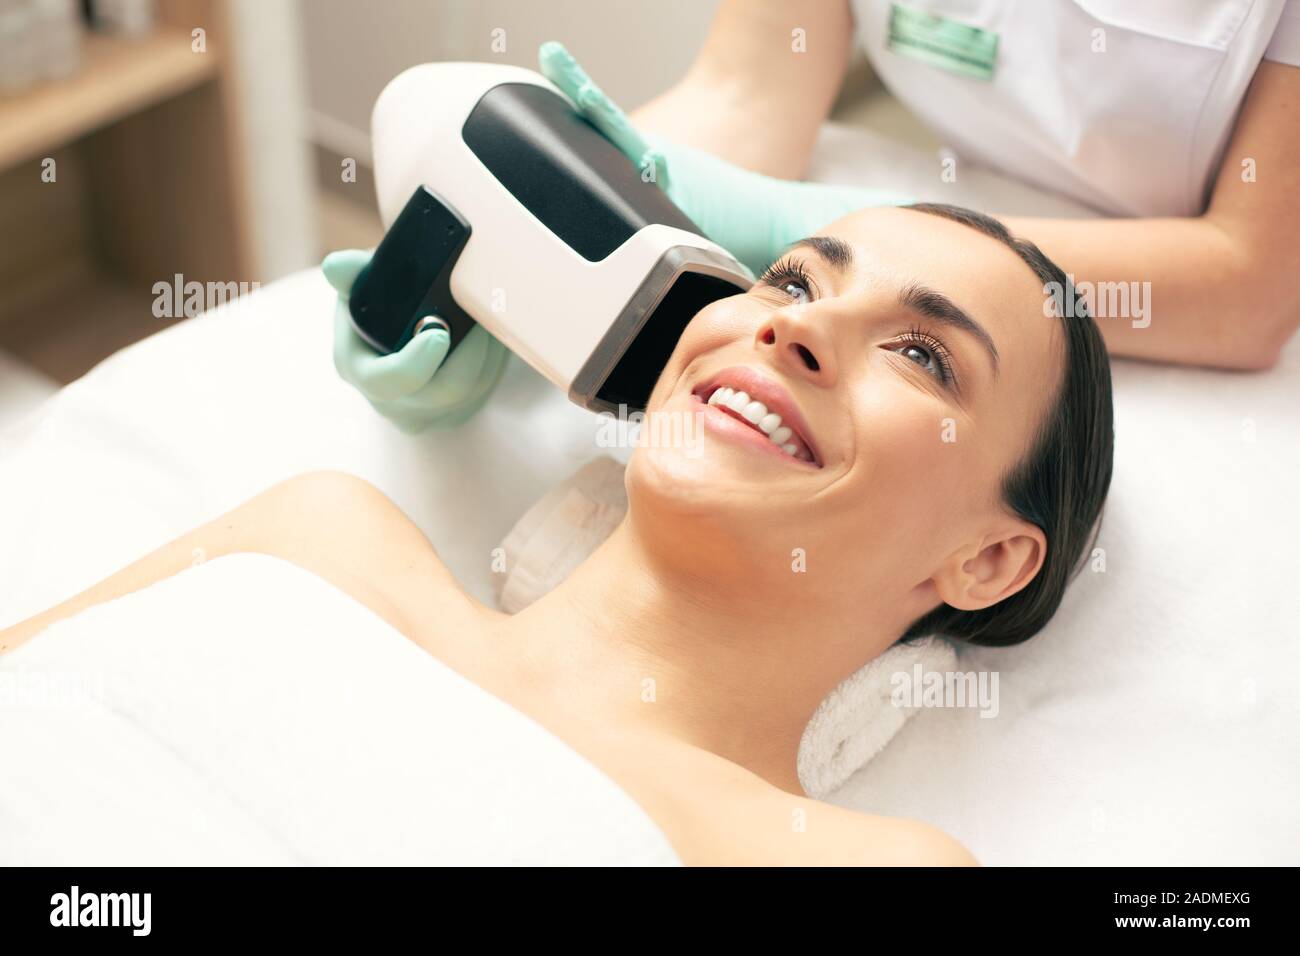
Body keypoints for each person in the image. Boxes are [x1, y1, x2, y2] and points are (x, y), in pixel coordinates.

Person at [1, 202, 1114, 864]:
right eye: (790, 277)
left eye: (923, 354)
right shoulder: (318, 536)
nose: (797, 325)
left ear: (986, 558)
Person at [333, 2, 1299, 431]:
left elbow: (1251, 281)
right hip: (928, 218)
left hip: (1195, 325)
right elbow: (749, 93)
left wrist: (831, 226)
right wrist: (556, 243)